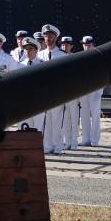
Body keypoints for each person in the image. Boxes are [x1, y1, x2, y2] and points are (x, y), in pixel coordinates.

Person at [40, 24, 66, 154]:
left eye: (51, 36)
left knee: (56, 120)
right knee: (46, 121)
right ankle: (48, 145)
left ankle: (58, 146)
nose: (48, 38)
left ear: (56, 37)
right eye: (46, 35)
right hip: (43, 93)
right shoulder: (39, 55)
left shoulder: (62, 55)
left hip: (56, 93)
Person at [79, 35, 103, 147]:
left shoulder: (99, 57)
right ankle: (86, 138)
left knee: (95, 115)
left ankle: (95, 139)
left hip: (95, 90)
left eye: (89, 45)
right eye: (85, 45)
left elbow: (103, 75)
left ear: (93, 45)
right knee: (84, 115)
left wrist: (99, 92)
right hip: (83, 91)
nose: (87, 47)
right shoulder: (80, 58)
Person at [59, 35, 80, 150]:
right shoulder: (58, 57)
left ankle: (74, 141)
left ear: (71, 46)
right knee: (65, 119)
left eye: (67, 44)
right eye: (62, 44)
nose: (64, 46)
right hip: (61, 93)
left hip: (73, 92)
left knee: (74, 117)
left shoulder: (76, 58)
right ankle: (67, 141)